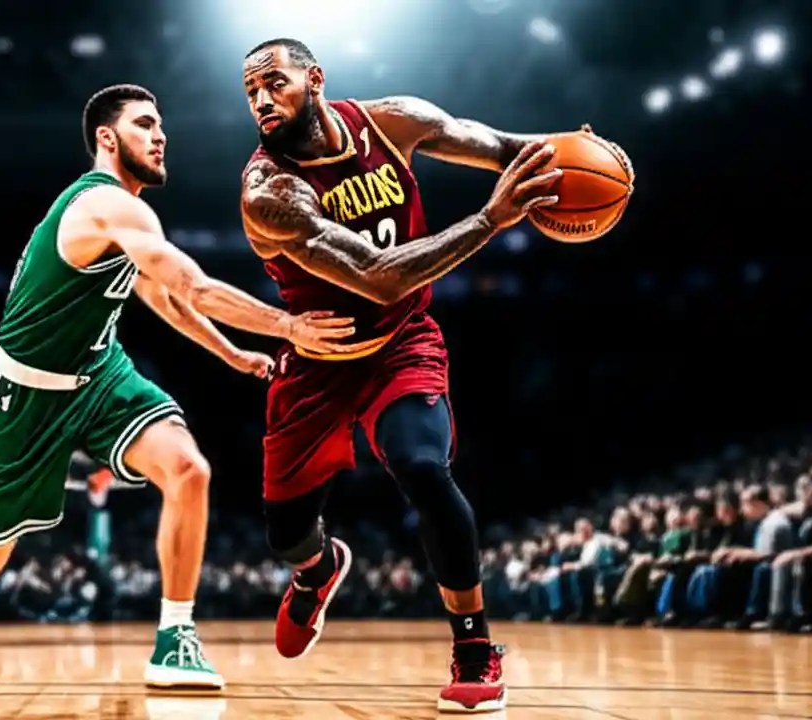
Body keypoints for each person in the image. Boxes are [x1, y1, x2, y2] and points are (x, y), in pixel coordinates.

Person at [0, 83, 360, 690]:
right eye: (145, 124)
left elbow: (158, 293)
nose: (161, 135)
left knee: (189, 469)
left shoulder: (129, 218)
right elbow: (192, 285)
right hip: (22, 393)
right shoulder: (105, 205)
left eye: (162, 124)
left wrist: (230, 353)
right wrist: (287, 325)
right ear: (108, 140)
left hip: (98, 374)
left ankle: (175, 638)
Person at [237, 38, 628, 713]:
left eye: (274, 83)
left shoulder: (393, 122)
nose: (262, 101)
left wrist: (573, 150)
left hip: (398, 345)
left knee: (423, 464)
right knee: (285, 531)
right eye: (251, 93)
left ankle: (474, 646)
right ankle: (317, 569)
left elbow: (503, 146)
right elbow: (379, 278)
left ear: (316, 79)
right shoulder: (269, 193)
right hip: (318, 361)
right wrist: (490, 220)